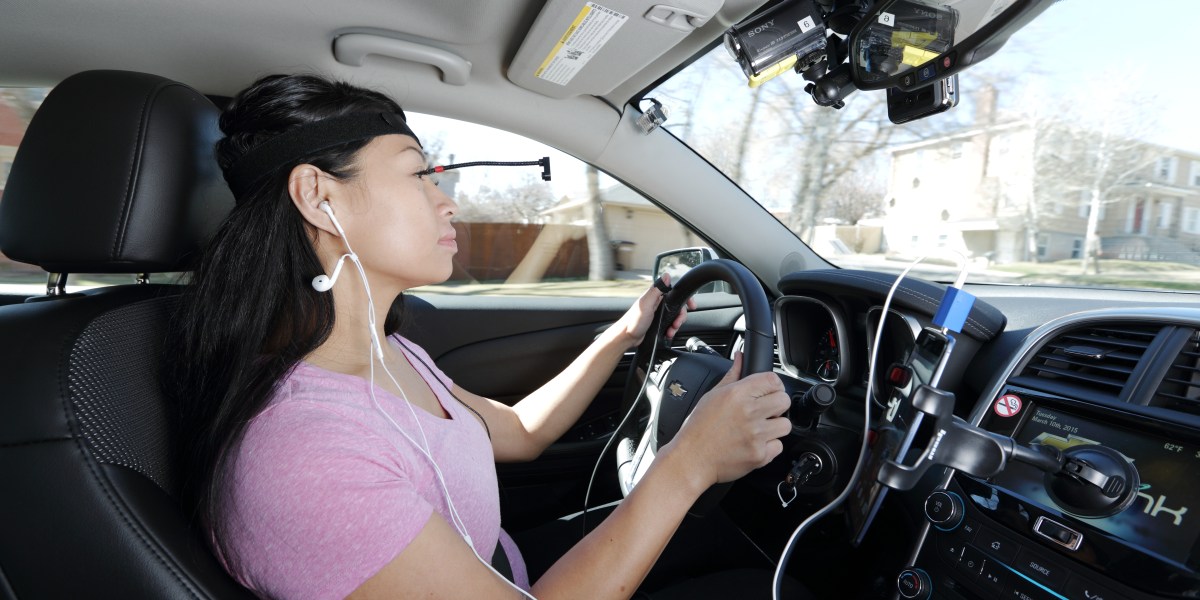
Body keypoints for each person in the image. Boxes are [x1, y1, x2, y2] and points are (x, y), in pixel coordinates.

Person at [169, 73, 793, 600]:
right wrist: (689, 464)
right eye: (419, 177)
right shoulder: (302, 456)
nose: (447, 204)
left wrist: (625, 335)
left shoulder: (387, 353)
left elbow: (519, 433)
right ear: (317, 196)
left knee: (736, 553)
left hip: (505, 568)